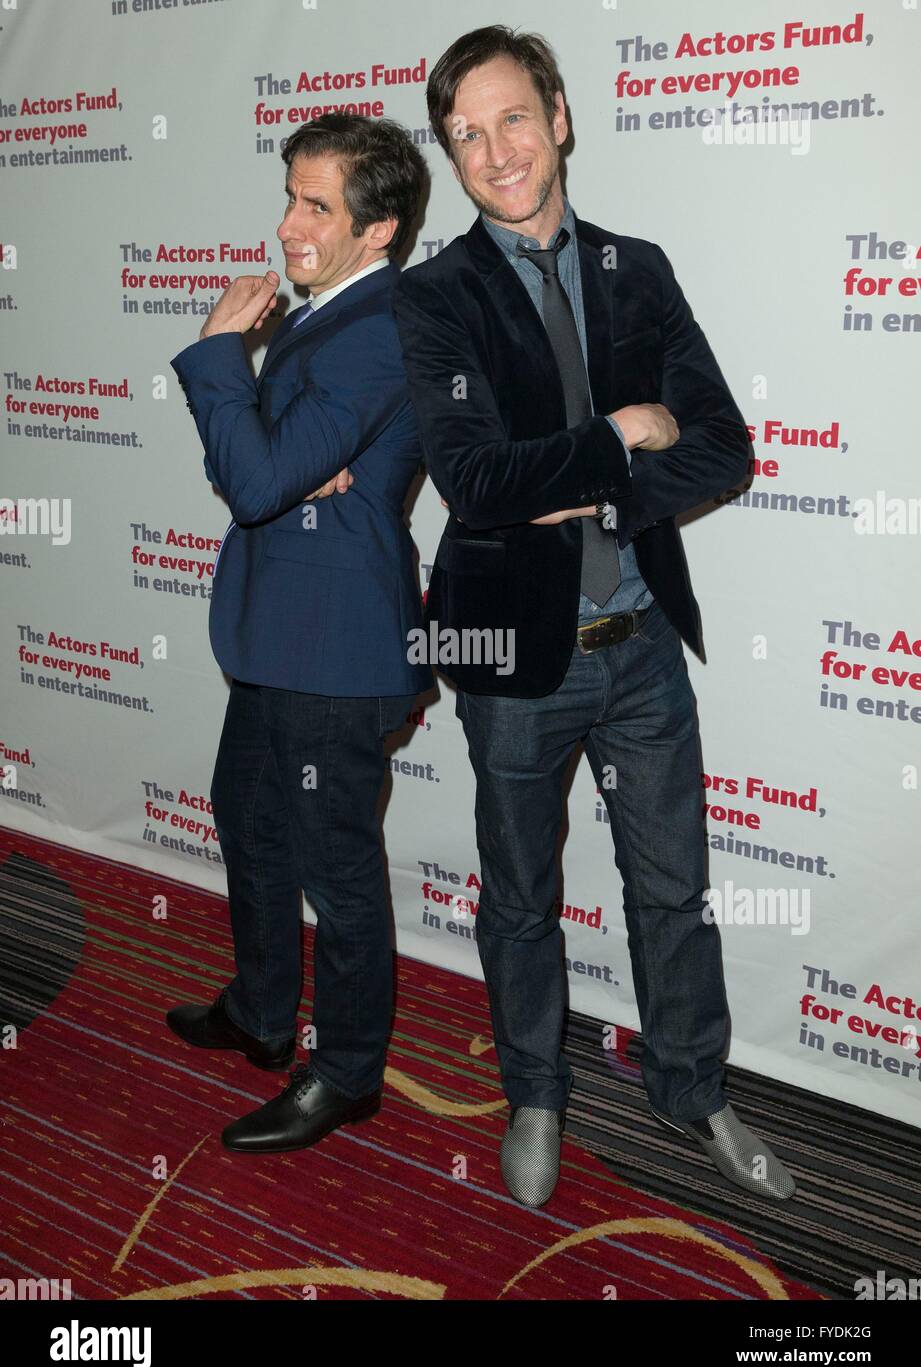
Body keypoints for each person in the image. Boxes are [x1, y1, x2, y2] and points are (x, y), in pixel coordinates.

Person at [391, 26, 795, 1206]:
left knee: (672, 887)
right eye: (467, 135)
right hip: (510, 656)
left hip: (644, 647)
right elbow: (474, 483)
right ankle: (536, 1092)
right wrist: (622, 434)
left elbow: (724, 447)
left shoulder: (640, 269)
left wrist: (572, 471)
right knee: (519, 893)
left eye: (512, 118)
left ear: (560, 118)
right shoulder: (436, 296)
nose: (495, 150)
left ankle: (692, 1083)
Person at [166, 114, 433, 1154]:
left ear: (379, 229)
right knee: (249, 816)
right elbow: (251, 480)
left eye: (315, 205)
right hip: (279, 637)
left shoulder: (382, 324)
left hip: (334, 649)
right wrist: (262, 446)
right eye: (290, 194)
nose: (285, 222)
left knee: (338, 868)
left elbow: (258, 474)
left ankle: (349, 1072)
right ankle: (265, 1013)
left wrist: (216, 357)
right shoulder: (324, 317)